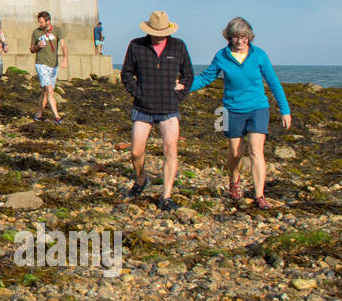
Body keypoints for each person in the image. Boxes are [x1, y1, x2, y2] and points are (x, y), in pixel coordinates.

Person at [183, 17, 292, 208]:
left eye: (243, 37)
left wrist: (285, 110)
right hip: (230, 109)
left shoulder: (259, 55)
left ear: (249, 37)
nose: (240, 41)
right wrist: (183, 86)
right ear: (229, 37)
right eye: (235, 37)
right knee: (235, 152)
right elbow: (206, 78)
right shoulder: (221, 56)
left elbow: (273, 82)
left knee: (256, 150)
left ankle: (260, 195)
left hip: (258, 107)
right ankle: (234, 179)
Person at [120, 11, 194, 212]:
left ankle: (166, 196)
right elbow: (126, 73)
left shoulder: (178, 46)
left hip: (169, 108)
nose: (159, 35)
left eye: (162, 32)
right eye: (155, 32)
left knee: (171, 151)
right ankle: (141, 179)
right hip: (142, 107)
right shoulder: (136, 45)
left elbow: (188, 75)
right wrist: (137, 93)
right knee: (136, 152)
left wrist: (179, 94)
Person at [30, 11, 67, 122]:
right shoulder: (36, 32)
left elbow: (63, 45)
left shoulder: (57, 30)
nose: (39, 24)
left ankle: (38, 115)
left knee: (45, 92)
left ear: (48, 21)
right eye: (39, 22)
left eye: (41, 22)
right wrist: (37, 46)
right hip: (41, 64)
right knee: (50, 90)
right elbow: (31, 49)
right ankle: (57, 117)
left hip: (53, 65)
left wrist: (65, 59)